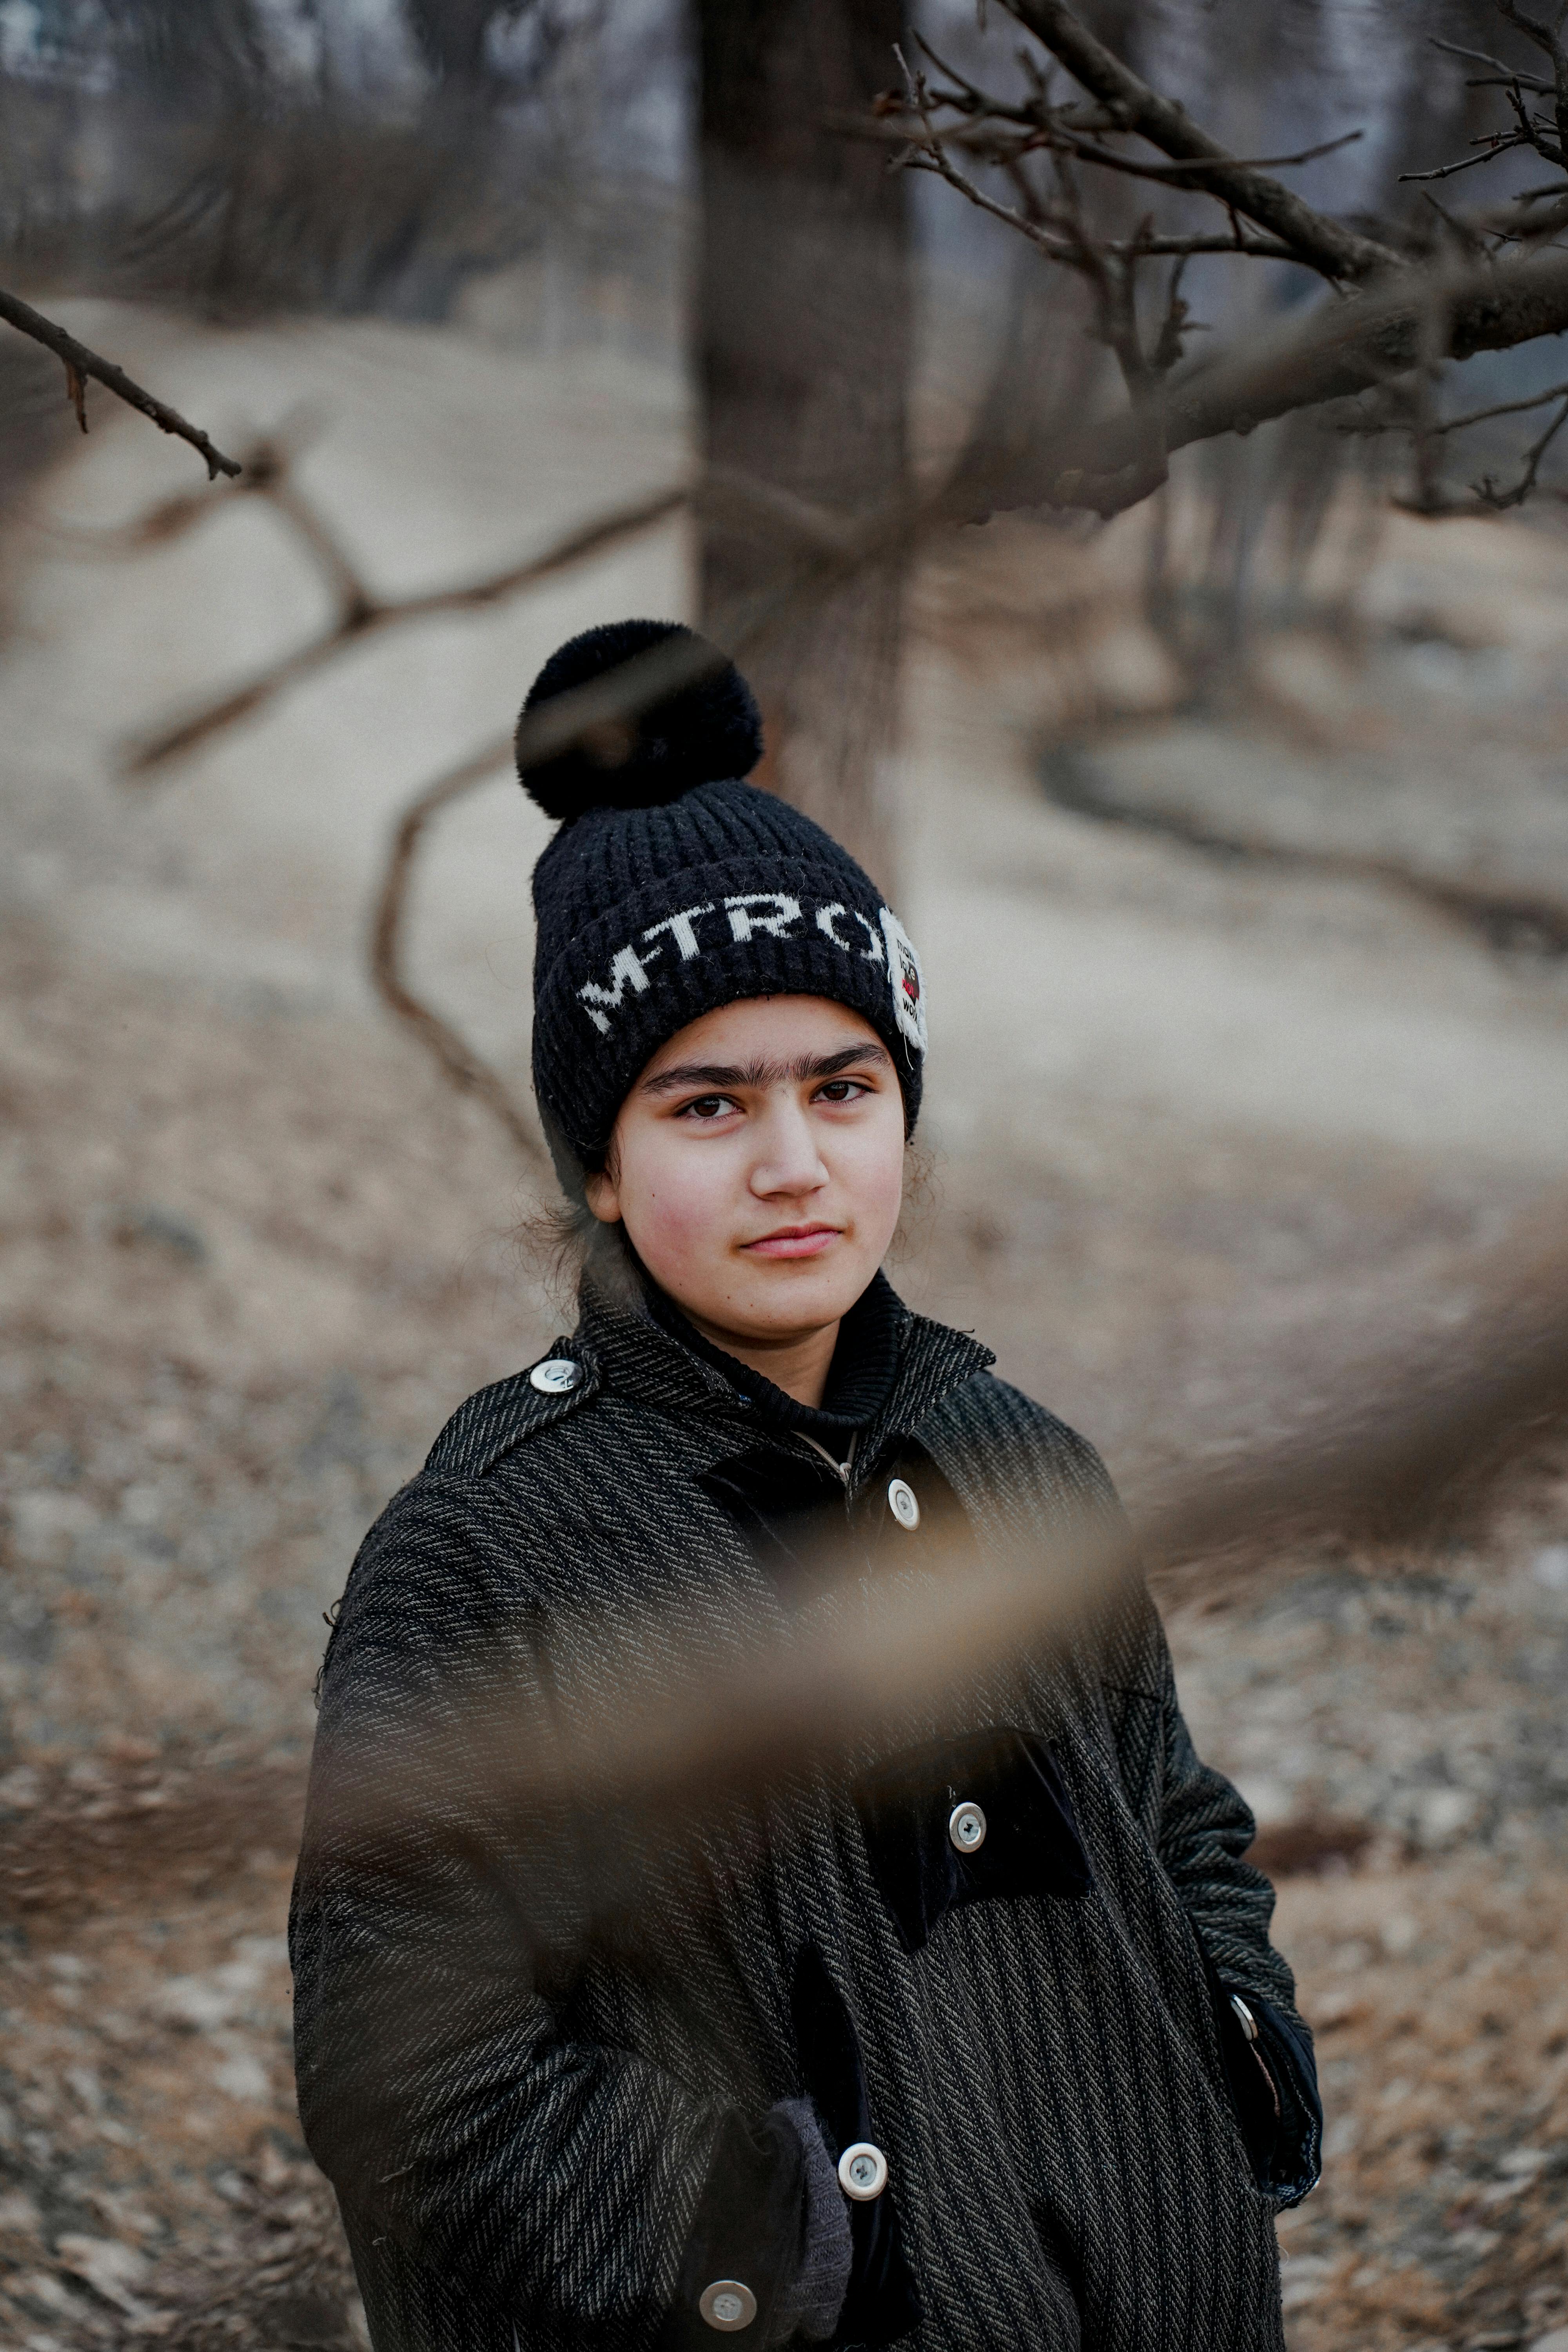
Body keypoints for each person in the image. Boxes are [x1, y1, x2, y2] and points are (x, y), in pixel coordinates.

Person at [289, 619, 1321, 2352]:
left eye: (844, 1090)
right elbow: (403, 2068)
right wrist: (769, 2238)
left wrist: (1227, 2037)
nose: (793, 1166)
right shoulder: (487, 1552)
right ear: (600, 1167)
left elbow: (1175, 1816)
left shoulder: (1019, 1463)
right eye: (706, 1106)